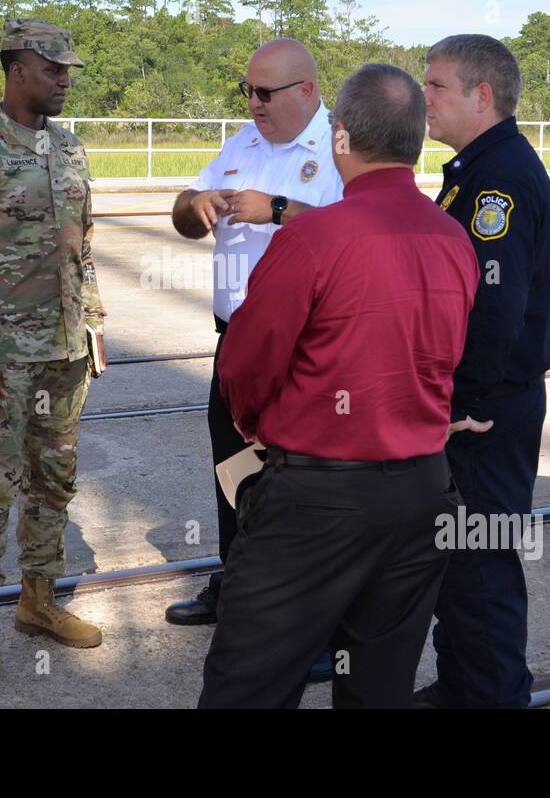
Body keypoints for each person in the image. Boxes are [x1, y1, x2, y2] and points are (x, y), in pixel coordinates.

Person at [199, 63, 481, 709]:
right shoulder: (453, 239)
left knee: (249, 684)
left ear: (341, 139)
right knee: (379, 690)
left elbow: (243, 365)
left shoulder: (311, 238)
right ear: (415, 141)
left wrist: (256, 427)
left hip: (315, 502)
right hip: (422, 495)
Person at [0, 19, 106, 682]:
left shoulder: (71, 148)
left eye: (68, 69)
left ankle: (38, 600)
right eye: (52, 68)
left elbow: (81, 246)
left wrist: (92, 323)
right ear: (16, 70)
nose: (65, 79)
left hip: (63, 353)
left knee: (53, 482)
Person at [165, 38, 344, 679]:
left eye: (265, 92)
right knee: (234, 472)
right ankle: (236, 590)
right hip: (236, 340)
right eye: (247, 89)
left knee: (303, 486)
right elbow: (184, 216)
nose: (253, 102)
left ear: (306, 91)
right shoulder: (241, 144)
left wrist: (279, 211)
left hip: (305, 351)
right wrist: (196, 206)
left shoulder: (338, 147)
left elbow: (356, 238)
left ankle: (315, 628)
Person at [410, 35, 550, 710]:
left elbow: (494, 309)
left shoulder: (497, 175)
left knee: (480, 564)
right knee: (460, 558)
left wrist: (458, 403)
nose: (424, 100)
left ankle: (493, 696)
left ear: (482, 95)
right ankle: (463, 686)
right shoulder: (481, 165)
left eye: (437, 86)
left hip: (486, 409)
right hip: (485, 402)